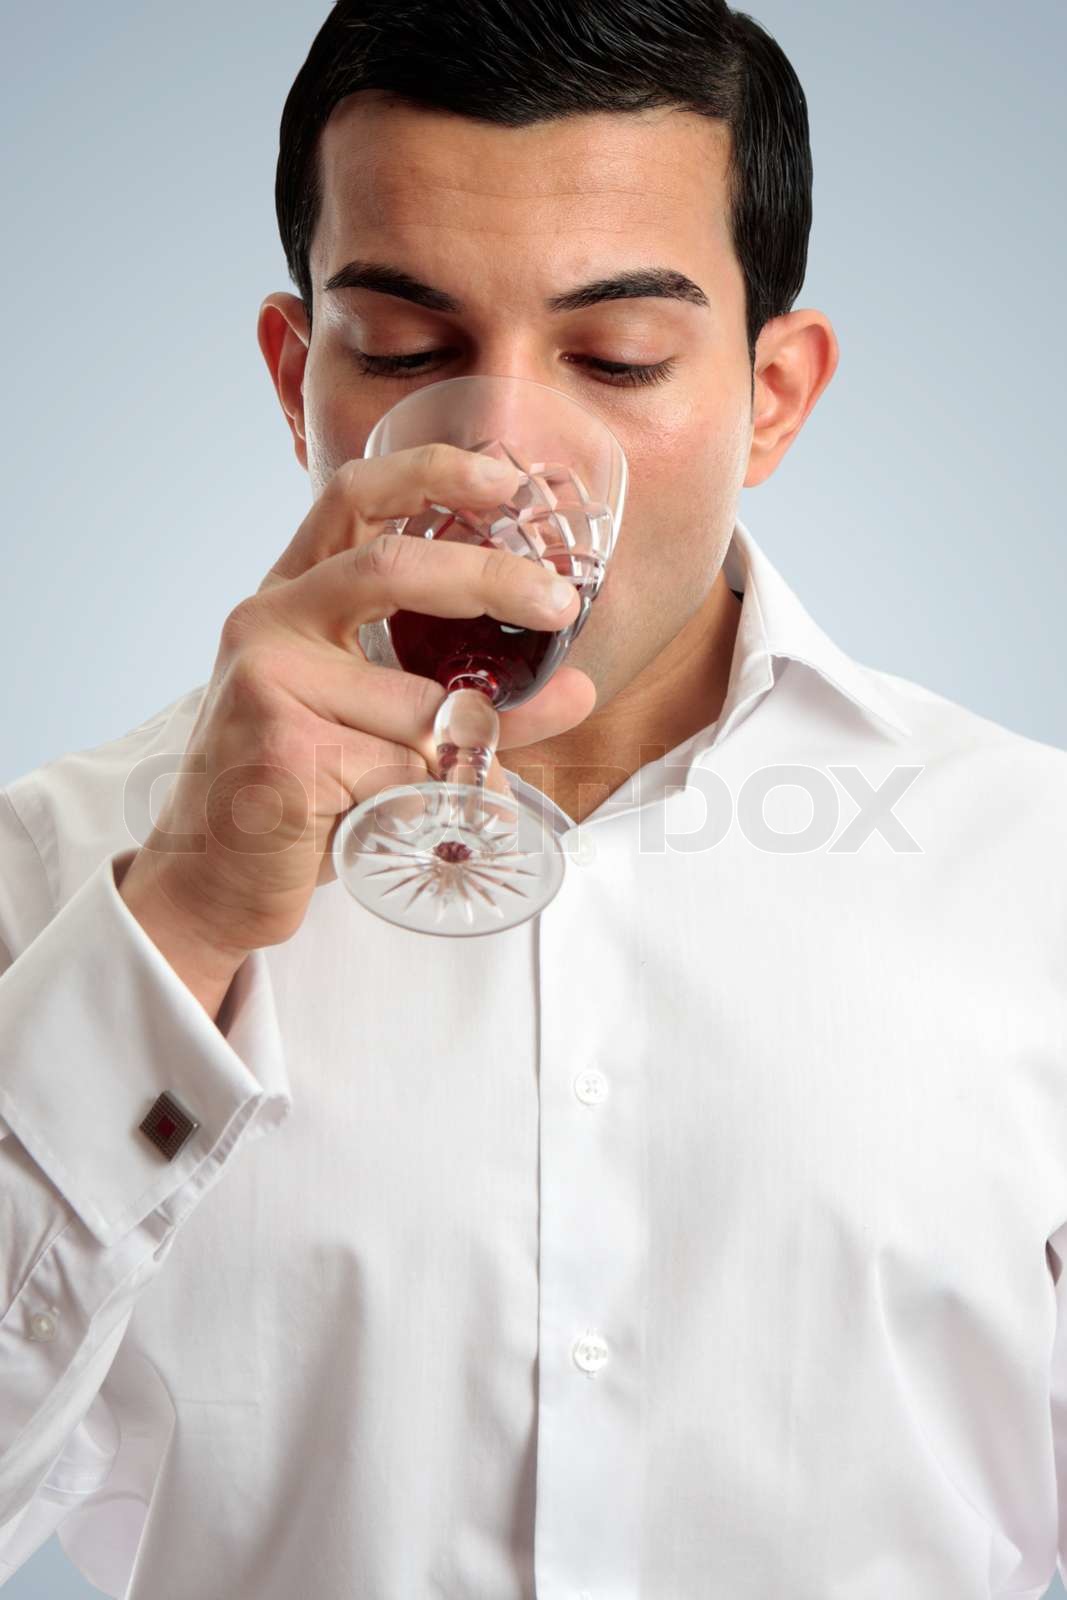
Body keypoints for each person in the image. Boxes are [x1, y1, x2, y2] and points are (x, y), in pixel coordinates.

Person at [2, 0, 1065, 1594]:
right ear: (300, 376)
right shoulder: (60, 871)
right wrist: (184, 923)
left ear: (774, 394)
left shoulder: (1032, 870)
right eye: (412, 353)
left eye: (617, 358)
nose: (502, 453)